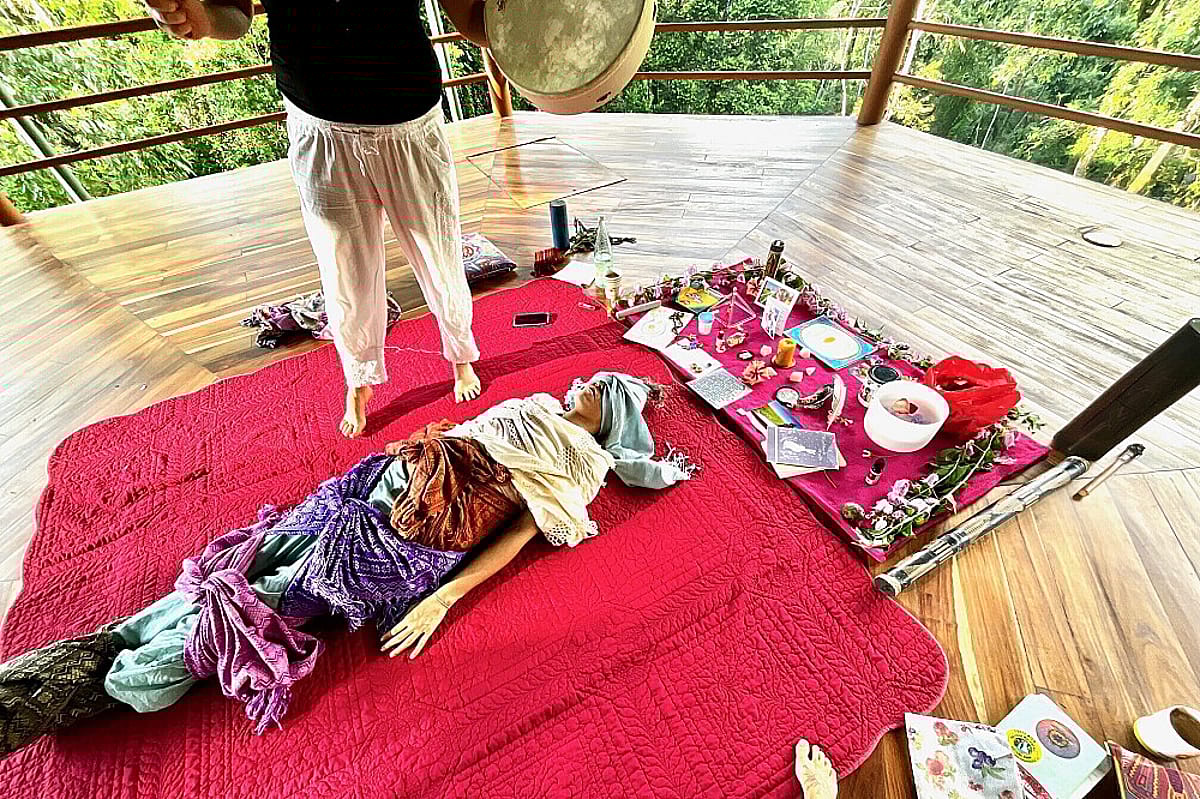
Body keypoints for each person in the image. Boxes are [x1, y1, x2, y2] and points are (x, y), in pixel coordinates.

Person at [0, 374, 696, 755]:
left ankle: (120, 682)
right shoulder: (537, 404)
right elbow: (456, 433)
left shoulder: (584, 462)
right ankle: (107, 644)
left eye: (601, 387)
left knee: (265, 600)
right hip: (378, 483)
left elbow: (516, 534)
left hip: (409, 538)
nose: (583, 381)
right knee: (252, 555)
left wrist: (441, 599)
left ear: (615, 418)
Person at [140, 0, 491, 435]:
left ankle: (461, 355)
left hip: (410, 124)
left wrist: (532, 35)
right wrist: (202, 18)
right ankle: (358, 377)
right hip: (320, 128)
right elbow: (234, 15)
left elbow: (475, 16)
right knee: (344, 272)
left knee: (438, 252)